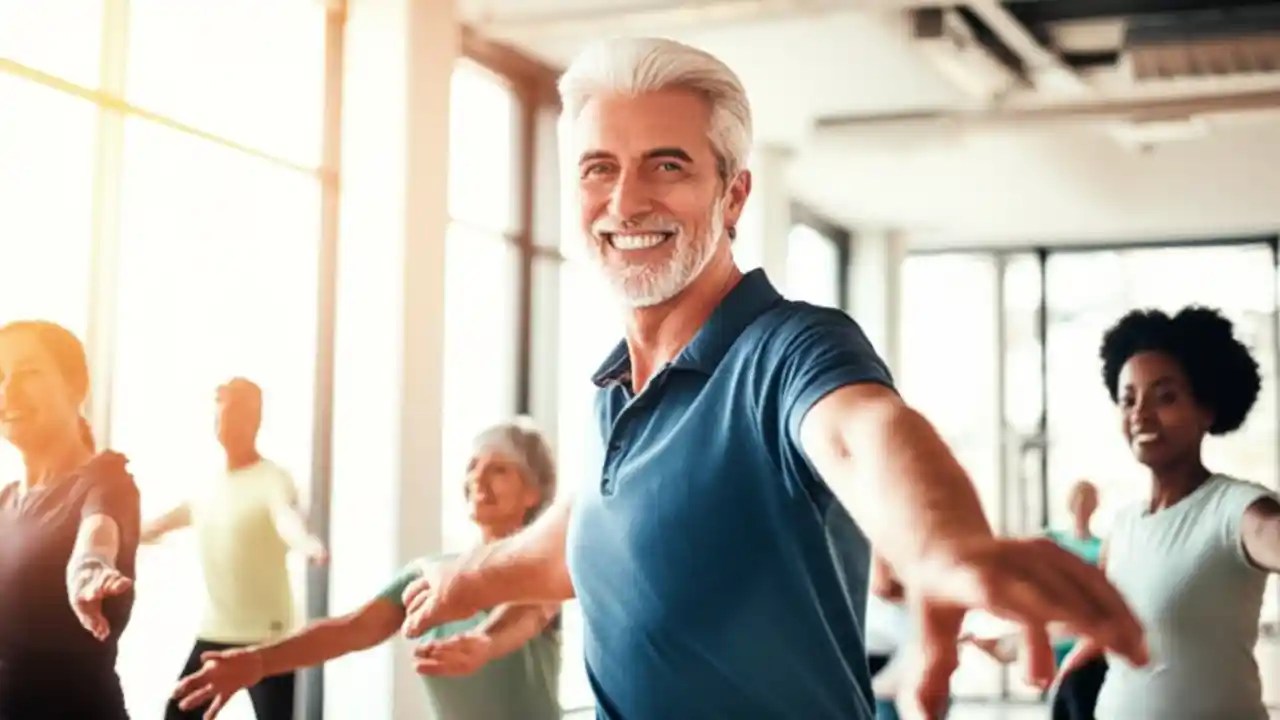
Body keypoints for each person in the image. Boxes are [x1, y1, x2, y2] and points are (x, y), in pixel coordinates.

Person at [400, 37, 1147, 720]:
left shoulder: (791, 348)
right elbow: (590, 536)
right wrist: (468, 577)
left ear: (733, 196)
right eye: (600, 168)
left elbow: (866, 434)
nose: (625, 202)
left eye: (668, 165)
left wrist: (940, 547)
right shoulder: (612, 393)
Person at [169, 419, 561, 720]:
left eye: (499, 470)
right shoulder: (431, 576)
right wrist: (258, 662)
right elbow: (351, 629)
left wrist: (486, 643)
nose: (477, 478)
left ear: (533, 491)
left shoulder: (540, 569)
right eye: (473, 466)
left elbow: (530, 610)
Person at [1055, 306, 1279, 719]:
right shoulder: (1123, 527)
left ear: (1206, 409)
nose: (1140, 413)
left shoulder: (1236, 508)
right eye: (1129, 399)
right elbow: (1108, 622)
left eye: (1165, 397)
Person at [141, 378, 326, 720]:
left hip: (268, 638)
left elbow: (285, 517)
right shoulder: (207, 486)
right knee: (178, 713)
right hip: (216, 630)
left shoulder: (271, 478)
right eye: (220, 417)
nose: (226, 426)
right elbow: (161, 523)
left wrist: (308, 545)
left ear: (255, 421)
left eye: (236, 417)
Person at [0, 320, 140, 719]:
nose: (8, 390)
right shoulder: (6, 502)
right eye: (0, 375)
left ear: (75, 386)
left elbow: (97, 535)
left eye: (28, 372)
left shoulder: (107, 480)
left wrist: (91, 567)